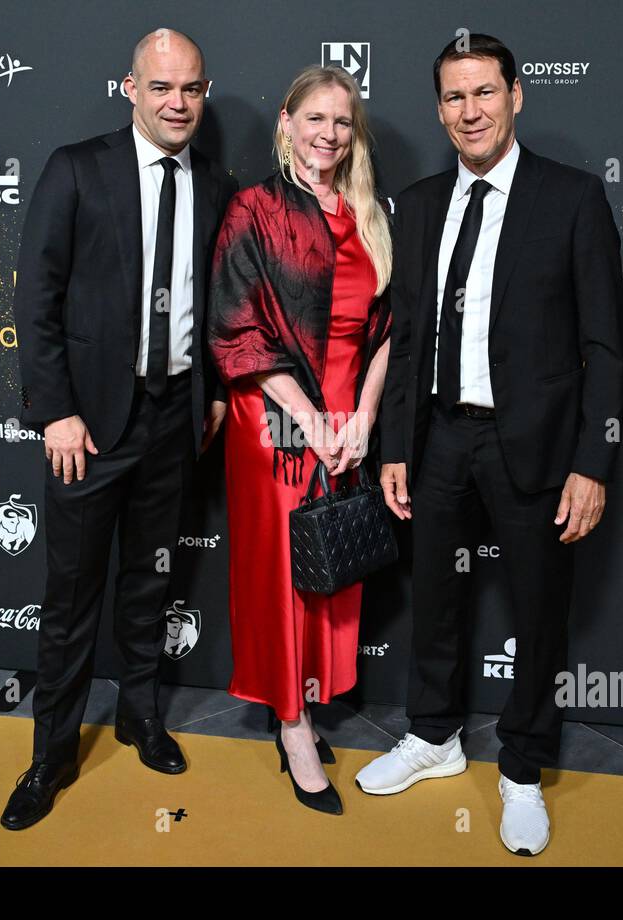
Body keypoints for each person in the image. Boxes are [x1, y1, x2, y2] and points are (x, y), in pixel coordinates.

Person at [356, 34, 623, 856]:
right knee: (434, 597)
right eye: (453, 98)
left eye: (483, 93)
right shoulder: (423, 201)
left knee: (540, 611)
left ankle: (522, 768)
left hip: (537, 446)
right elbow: (405, 341)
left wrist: (593, 460)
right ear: (439, 110)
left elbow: (605, 348)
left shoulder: (573, 199)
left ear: (515, 95)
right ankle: (434, 736)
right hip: (440, 436)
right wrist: (397, 446)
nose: (468, 111)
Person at [2, 28, 237, 830]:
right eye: (162, 87)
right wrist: (56, 410)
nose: (178, 103)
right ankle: (51, 753)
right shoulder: (77, 168)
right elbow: (36, 300)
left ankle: (141, 714)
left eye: (192, 89)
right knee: (70, 596)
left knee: (149, 582)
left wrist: (206, 389)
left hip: (174, 416)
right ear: (129, 89)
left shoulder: (213, 182)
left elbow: (209, 300)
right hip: (89, 422)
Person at [207, 65, 393, 815]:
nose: (328, 134)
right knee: (282, 578)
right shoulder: (253, 209)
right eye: (314, 118)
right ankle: (292, 729)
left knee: (329, 564)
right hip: (275, 423)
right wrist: (311, 420)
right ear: (286, 123)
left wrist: (364, 417)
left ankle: (310, 702)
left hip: (348, 422)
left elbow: (390, 328)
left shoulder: (370, 212)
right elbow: (236, 329)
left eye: (342, 122)